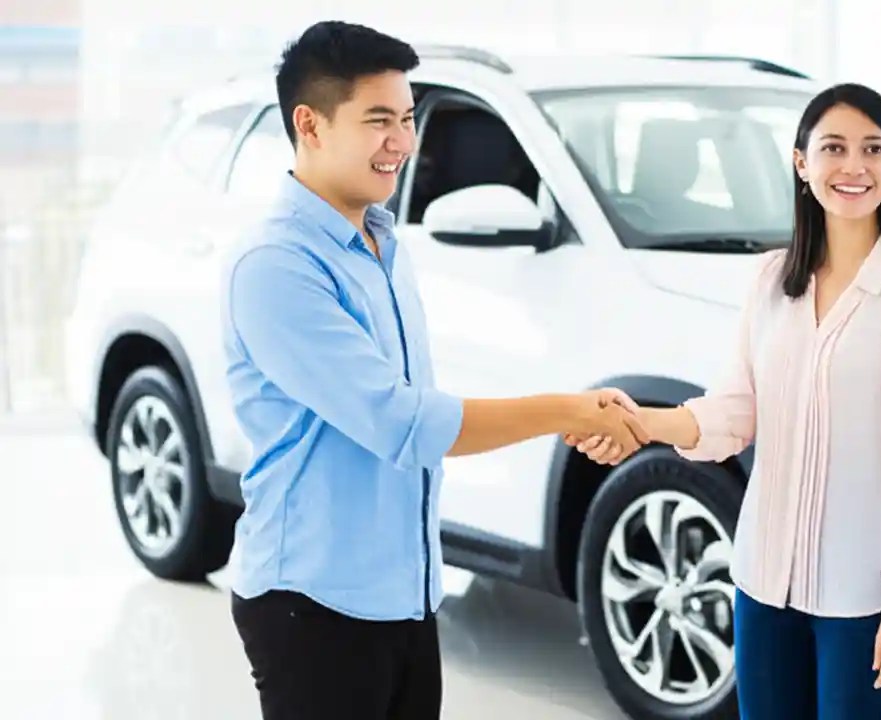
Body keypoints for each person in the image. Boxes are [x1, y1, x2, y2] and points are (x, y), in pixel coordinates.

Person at [219, 22, 647, 720]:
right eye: (379, 120)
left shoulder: (383, 242)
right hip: (314, 603)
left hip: (406, 594)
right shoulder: (277, 266)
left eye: (409, 119)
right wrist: (570, 411)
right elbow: (403, 422)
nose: (404, 143)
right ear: (311, 125)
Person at [570, 84, 881, 719]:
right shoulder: (771, 280)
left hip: (865, 596)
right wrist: (641, 423)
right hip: (762, 583)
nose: (853, 167)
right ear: (802, 163)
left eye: (873, 149)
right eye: (833, 148)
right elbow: (734, 412)